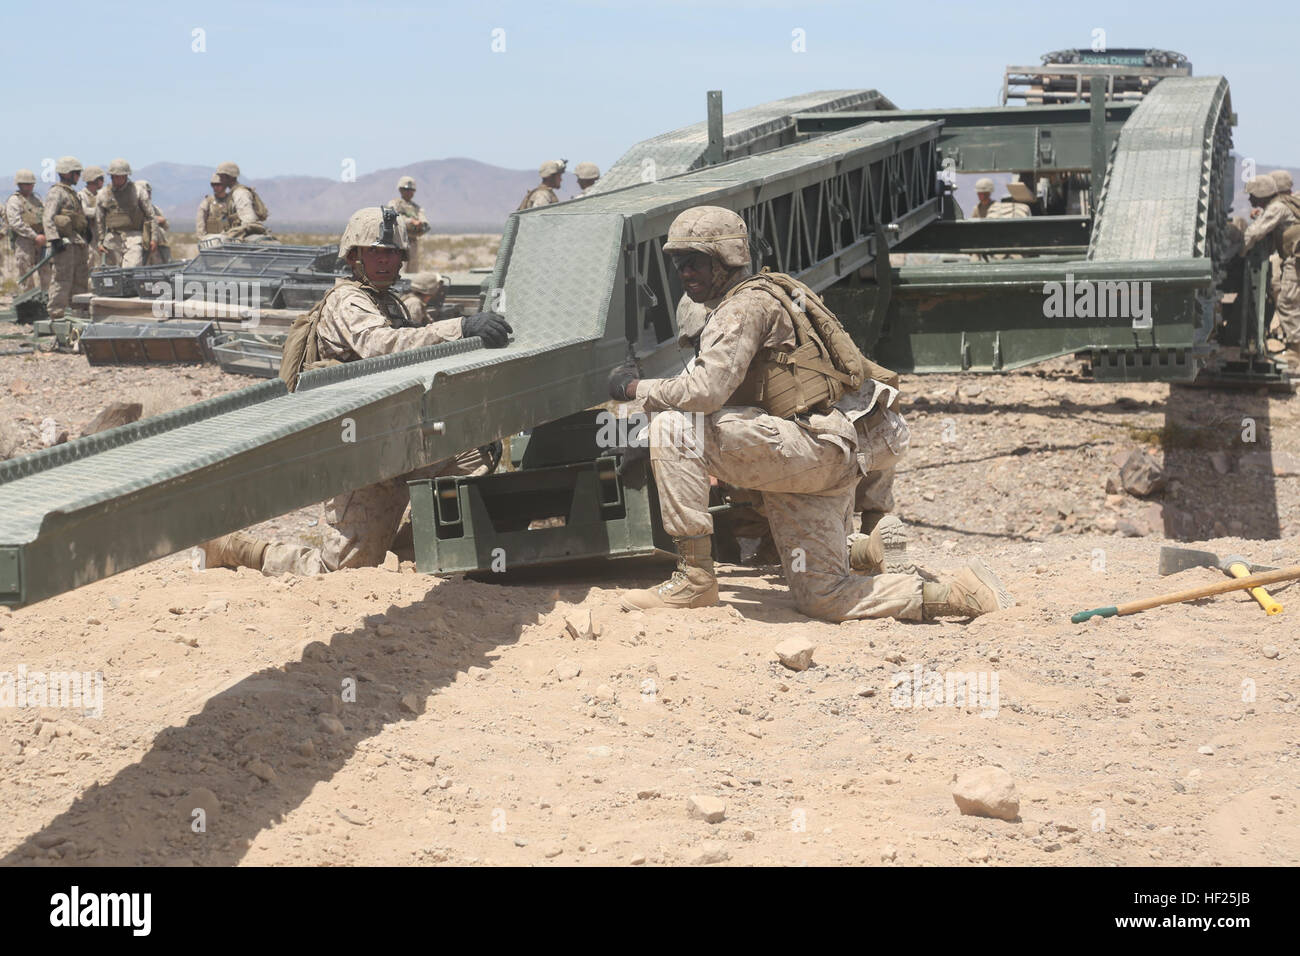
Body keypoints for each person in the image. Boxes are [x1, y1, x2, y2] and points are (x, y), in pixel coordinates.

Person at [606, 205, 1013, 622]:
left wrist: (634, 390)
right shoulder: (774, 292)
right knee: (823, 597)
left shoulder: (740, 308)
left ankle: (694, 578)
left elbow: (703, 391)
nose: (684, 272)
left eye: (694, 261)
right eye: (678, 263)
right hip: (820, 460)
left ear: (726, 258)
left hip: (808, 451)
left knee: (675, 426)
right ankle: (958, 593)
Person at [199, 206, 513, 576]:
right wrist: (459, 327)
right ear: (354, 257)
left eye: (392, 252)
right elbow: (382, 346)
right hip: (360, 453)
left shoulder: (388, 303)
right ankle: (237, 549)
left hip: (402, 438)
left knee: (475, 455)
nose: (384, 259)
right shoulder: (347, 301)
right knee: (340, 571)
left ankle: (417, 552)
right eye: (374, 252)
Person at [1243, 176, 1300, 367]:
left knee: (1287, 303)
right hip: (1293, 257)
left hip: (1295, 259)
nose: (1250, 200)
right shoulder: (1288, 202)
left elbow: (1254, 233)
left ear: (1261, 195)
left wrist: (1239, 252)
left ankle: (1295, 352)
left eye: (1252, 196)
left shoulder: (1277, 208)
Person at [41, 156, 91, 318]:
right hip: (64, 244)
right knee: (62, 279)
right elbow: (48, 217)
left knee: (80, 279)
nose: (78, 177)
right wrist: (54, 239)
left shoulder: (72, 193)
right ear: (68, 173)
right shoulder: (56, 192)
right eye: (76, 173)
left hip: (77, 243)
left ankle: (78, 311)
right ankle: (56, 314)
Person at [95, 158, 154, 267]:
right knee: (113, 274)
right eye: (115, 176)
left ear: (126, 176)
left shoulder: (138, 191)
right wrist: (100, 241)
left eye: (120, 176)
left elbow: (150, 216)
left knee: (131, 269)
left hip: (134, 237)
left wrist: (153, 238)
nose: (117, 179)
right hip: (112, 239)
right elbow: (99, 220)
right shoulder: (103, 194)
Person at [6, 169, 49, 291]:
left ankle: (46, 299)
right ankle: (29, 304)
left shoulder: (36, 200)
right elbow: (15, 223)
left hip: (40, 240)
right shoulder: (14, 200)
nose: (31, 186)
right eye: (28, 184)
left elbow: (43, 215)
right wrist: (34, 236)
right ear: (20, 184)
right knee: (26, 274)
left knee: (46, 272)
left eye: (32, 184)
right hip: (24, 241)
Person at [216, 161, 271, 239]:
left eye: (222, 177)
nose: (220, 180)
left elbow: (249, 220)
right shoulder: (232, 194)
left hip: (245, 234)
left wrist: (233, 234)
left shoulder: (240, 193)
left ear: (229, 177)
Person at [387, 176, 429, 272]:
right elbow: (393, 217)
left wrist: (421, 224)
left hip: (413, 241)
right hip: (399, 241)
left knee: (413, 269)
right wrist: (410, 221)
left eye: (411, 190)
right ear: (401, 190)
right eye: (406, 189)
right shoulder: (395, 203)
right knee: (400, 268)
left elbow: (424, 221)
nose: (409, 192)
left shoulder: (416, 207)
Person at [135, 180, 171, 264]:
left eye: (149, 192)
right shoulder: (133, 209)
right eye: (146, 192)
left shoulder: (154, 209)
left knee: (166, 268)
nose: (149, 195)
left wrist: (162, 220)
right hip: (141, 245)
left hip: (159, 245)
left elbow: (166, 226)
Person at [79, 165, 105, 269]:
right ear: (95, 180)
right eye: (101, 179)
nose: (103, 182)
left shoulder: (101, 195)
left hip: (99, 236)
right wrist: (101, 212)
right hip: (88, 237)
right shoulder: (82, 195)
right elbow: (84, 211)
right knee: (88, 264)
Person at [195, 173, 233, 242]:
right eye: (213, 185)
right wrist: (202, 238)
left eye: (218, 185)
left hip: (230, 238)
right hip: (211, 239)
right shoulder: (208, 202)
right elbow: (200, 222)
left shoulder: (232, 201)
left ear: (224, 185)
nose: (215, 187)